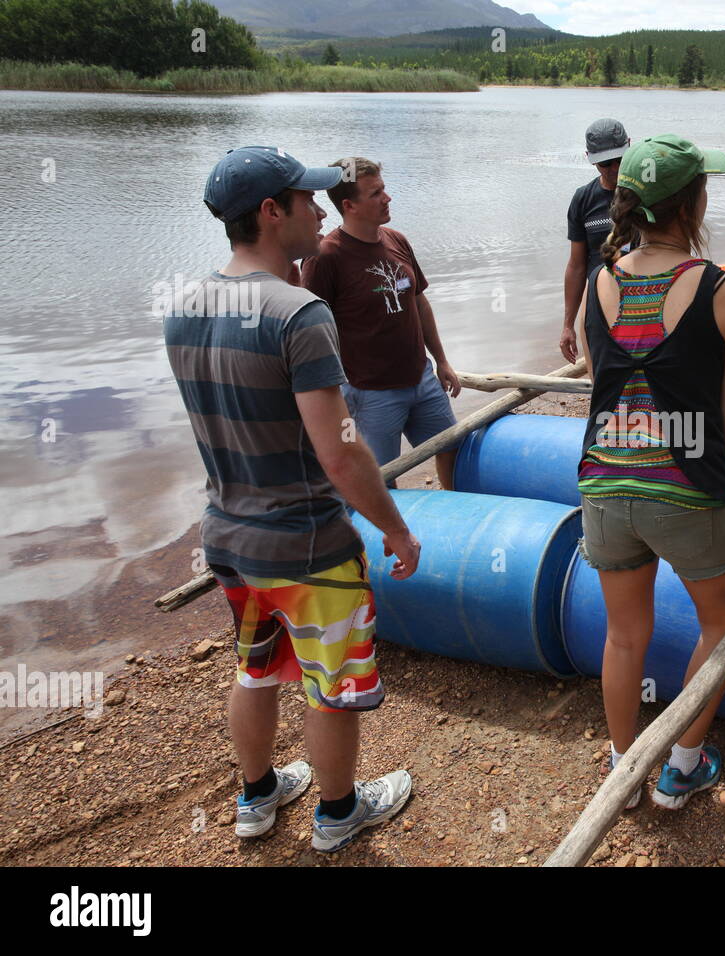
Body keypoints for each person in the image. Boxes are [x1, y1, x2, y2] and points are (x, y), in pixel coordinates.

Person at [167, 146, 420, 852]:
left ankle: (256, 798)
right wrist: (395, 529)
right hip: (307, 544)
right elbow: (340, 452)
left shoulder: (184, 308)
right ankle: (339, 814)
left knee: (254, 671)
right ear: (272, 213)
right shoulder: (300, 314)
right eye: (307, 199)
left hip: (228, 537)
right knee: (332, 683)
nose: (320, 208)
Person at [574, 134, 725, 809]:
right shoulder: (724, 290)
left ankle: (624, 773)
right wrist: (714, 493)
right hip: (684, 489)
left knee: (624, 633)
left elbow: (601, 384)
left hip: (602, 480)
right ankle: (682, 764)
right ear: (693, 203)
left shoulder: (599, 281)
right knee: (722, 622)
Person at [299, 157, 461, 490]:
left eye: (383, 189)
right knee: (381, 478)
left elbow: (419, 301)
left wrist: (441, 360)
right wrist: (330, 394)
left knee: (451, 448)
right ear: (349, 205)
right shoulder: (325, 256)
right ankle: (390, 539)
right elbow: (309, 330)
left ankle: (454, 515)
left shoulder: (396, 240)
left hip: (422, 379)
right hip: (370, 393)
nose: (387, 198)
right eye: (375, 194)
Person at [560, 118, 632, 363]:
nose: (614, 168)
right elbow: (576, 265)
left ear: (630, 146)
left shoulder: (648, 194)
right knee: (602, 377)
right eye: (605, 163)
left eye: (620, 160)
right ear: (589, 157)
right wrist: (568, 325)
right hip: (599, 303)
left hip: (643, 302)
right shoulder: (583, 199)